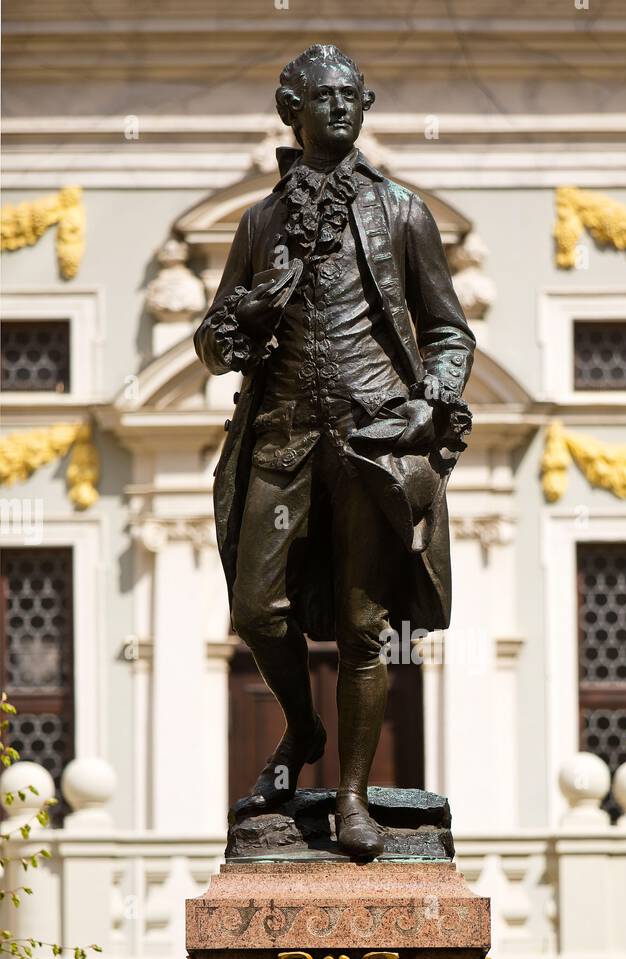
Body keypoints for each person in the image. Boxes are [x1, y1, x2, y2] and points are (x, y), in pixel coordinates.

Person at [195, 44, 474, 858]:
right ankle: (305, 726)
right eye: (325, 97)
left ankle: (351, 798)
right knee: (255, 607)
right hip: (282, 435)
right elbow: (211, 348)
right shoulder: (260, 222)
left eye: (354, 96)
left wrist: (434, 397)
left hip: (371, 439)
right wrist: (237, 321)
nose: (343, 108)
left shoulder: (403, 213)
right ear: (293, 108)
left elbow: (449, 331)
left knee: (364, 624)